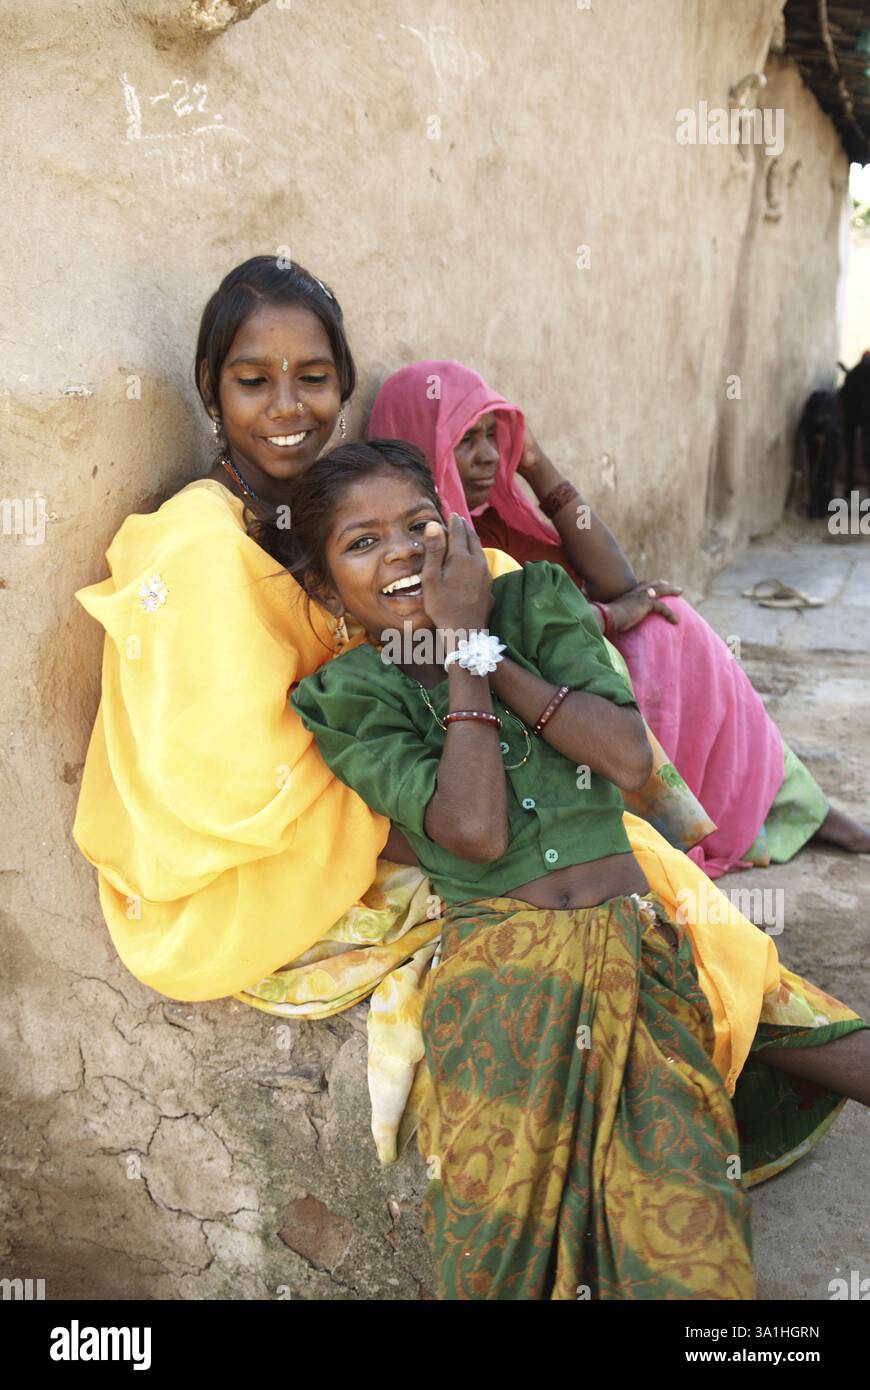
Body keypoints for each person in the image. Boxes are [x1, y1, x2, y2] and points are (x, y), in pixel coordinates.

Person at [73, 257, 865, 1195]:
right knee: (602, 870)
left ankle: (731, 1086)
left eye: (314, 378)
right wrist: (473, 795)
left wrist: (492, 663)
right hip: (261, 877)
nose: (288, 405)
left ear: (345, 384)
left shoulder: (319, 509)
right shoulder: (200, 546)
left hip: (404, 790)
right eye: (254, 381)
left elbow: (474, 585)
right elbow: (234, 786)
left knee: (623, 861)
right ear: (211, 389)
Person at [287, 438, 756, 1299]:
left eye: (418, 526)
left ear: (456, 538)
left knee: (694, 1251)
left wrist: (481, 646)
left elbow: (622, 756)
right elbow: (473, 830)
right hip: (499, 991)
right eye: (361, 543)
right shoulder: (349, 695)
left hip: (635, 961)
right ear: (325, 589)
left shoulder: (535, 604)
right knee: (498, 1258)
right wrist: (463, 659)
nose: (399, 553)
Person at [368, 360, 870, 877]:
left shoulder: (496, 518)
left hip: (553, 672)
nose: (490, 456)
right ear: (418, 445)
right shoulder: (424, 546)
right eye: (465, 440)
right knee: (620, 649)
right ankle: (667, 827)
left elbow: (618, 581)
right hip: (497, 696)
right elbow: (495, 638)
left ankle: (783, 805)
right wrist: (610, 617)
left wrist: (537, 464)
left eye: (494, 436)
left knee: (668, 618)